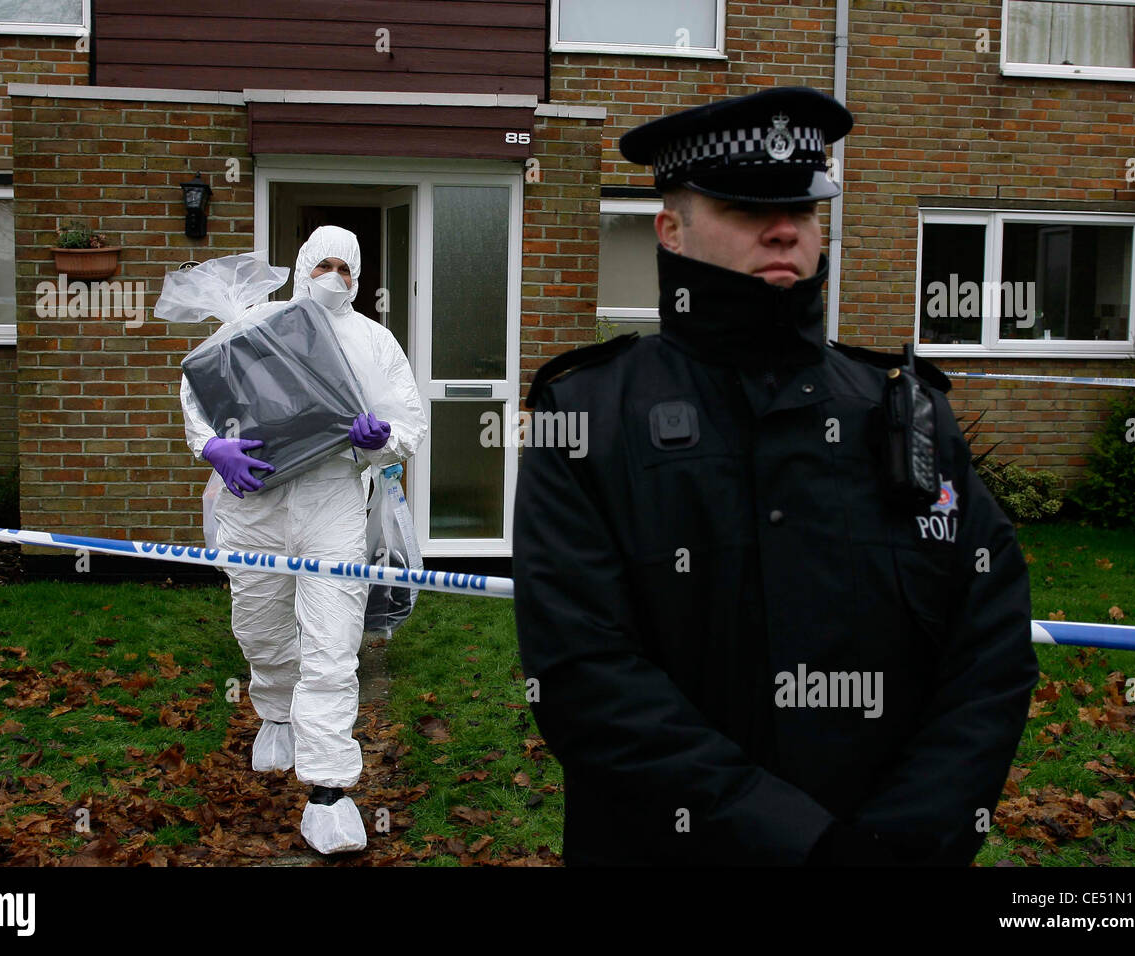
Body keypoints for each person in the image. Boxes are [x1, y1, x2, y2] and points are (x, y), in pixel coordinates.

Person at [512, 87, 1039, 866]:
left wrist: (909, 836)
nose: (786, 228)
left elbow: (989, 644)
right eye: (745, 209)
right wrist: (797, 843)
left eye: (805, 208)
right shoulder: (589, 415)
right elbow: (584, 675)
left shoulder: (899, 412)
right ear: (671, 230)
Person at [180, 225, 427, 854]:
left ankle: (328, 792)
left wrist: (384, 441)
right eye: (325, 263)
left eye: (348, 267)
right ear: (302, 265)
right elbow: (197, 389)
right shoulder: (257, 323)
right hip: (254, 500)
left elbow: (409, 421)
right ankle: (275, 712)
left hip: (333, 504)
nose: (335, 276)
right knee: (259, 621)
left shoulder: (375, 342)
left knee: (331, 642)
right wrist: (211, 446)